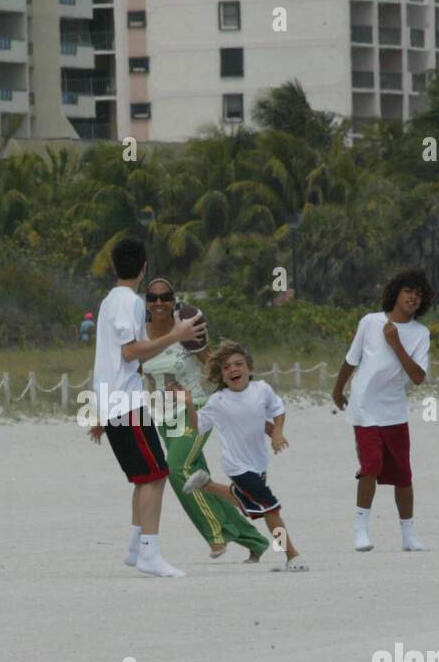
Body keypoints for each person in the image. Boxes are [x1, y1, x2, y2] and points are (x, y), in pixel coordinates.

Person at [88, 238, 205, 578]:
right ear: (143, 269)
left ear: (114, 267)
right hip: (125, 402)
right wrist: (177, 334)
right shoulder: (130, 303)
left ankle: (135, 547)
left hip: (113, 401)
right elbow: (130, 351)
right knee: (156, 475)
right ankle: (150, 554)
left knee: (143, 477)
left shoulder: (110, 301)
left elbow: (131, 353)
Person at [141, 279, 270, 563]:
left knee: (176, 469)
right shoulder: (139, 334)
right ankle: (255, 541)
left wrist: (243, 396)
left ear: (174, 300)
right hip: (163, 416)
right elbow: (133, 373)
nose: (159, 303)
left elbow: (211, 363)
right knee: (197, 479)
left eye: (166, 297)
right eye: (153, 297)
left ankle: (215, 535)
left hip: (196, 409)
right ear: (147, 302)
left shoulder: (185, 330)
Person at [181, 341, 306, 571]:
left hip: (259, 463)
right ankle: (291, 555)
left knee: (245, 500)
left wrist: (276, 433)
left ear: (249, 368)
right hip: (236, 466)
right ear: (221, 375)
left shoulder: (262, 389)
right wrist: (189, 405)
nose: (233, 369)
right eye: (226, 367)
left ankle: (206, 484)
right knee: (270, 508)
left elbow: (277, 411)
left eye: (238, 364)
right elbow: (198, 427)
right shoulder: (218, 401)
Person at [332, 269, 431, 552]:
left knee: (403, 475)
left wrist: (396, 342)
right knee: (371, 467)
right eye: (408, 291)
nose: (413, 297)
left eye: (418, 294)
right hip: (364, 407)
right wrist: (338, 390)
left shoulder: (421, 334)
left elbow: (418, 377)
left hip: (395, 411)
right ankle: (361, 530)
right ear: (396, 293)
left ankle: (408, 535)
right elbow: (351, 359)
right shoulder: (370, 321)